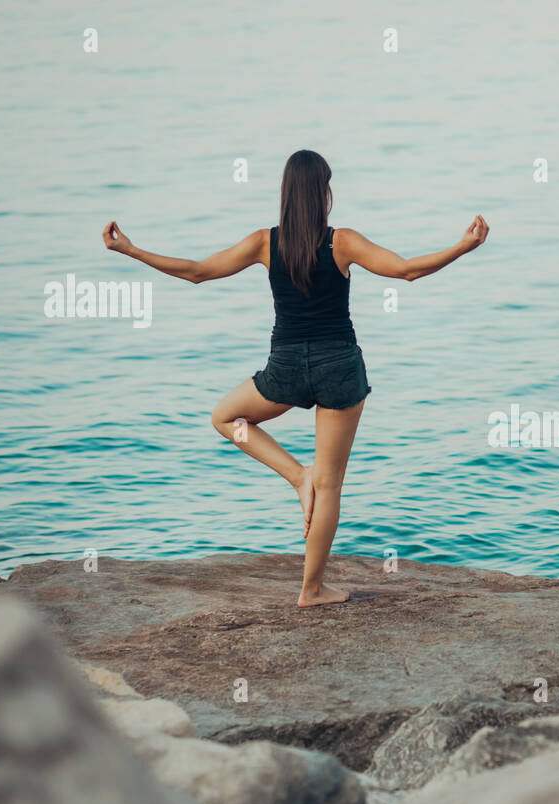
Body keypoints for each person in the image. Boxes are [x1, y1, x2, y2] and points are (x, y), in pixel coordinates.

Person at [101, 148, 489, 606]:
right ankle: (312, 586)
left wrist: (130, 249)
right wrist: (463, 247)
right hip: (338, 369)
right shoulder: (343, 242)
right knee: (330, 484)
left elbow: (198, 273)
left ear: (286, 193)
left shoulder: (264, 243)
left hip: (285, 369)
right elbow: (407, 271)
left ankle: (296, 476)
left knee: (226, 418)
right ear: (323, 192)